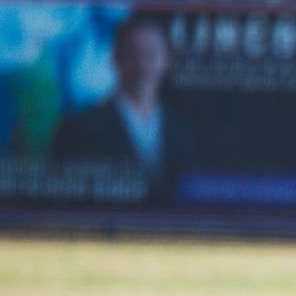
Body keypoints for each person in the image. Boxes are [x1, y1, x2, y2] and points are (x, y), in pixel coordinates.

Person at [50, 14, 192, 204]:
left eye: (150, 54)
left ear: (167, 60)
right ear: (116, 58)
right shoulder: (78, 129)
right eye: (132, 55)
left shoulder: (183, 130)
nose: (142, 65)